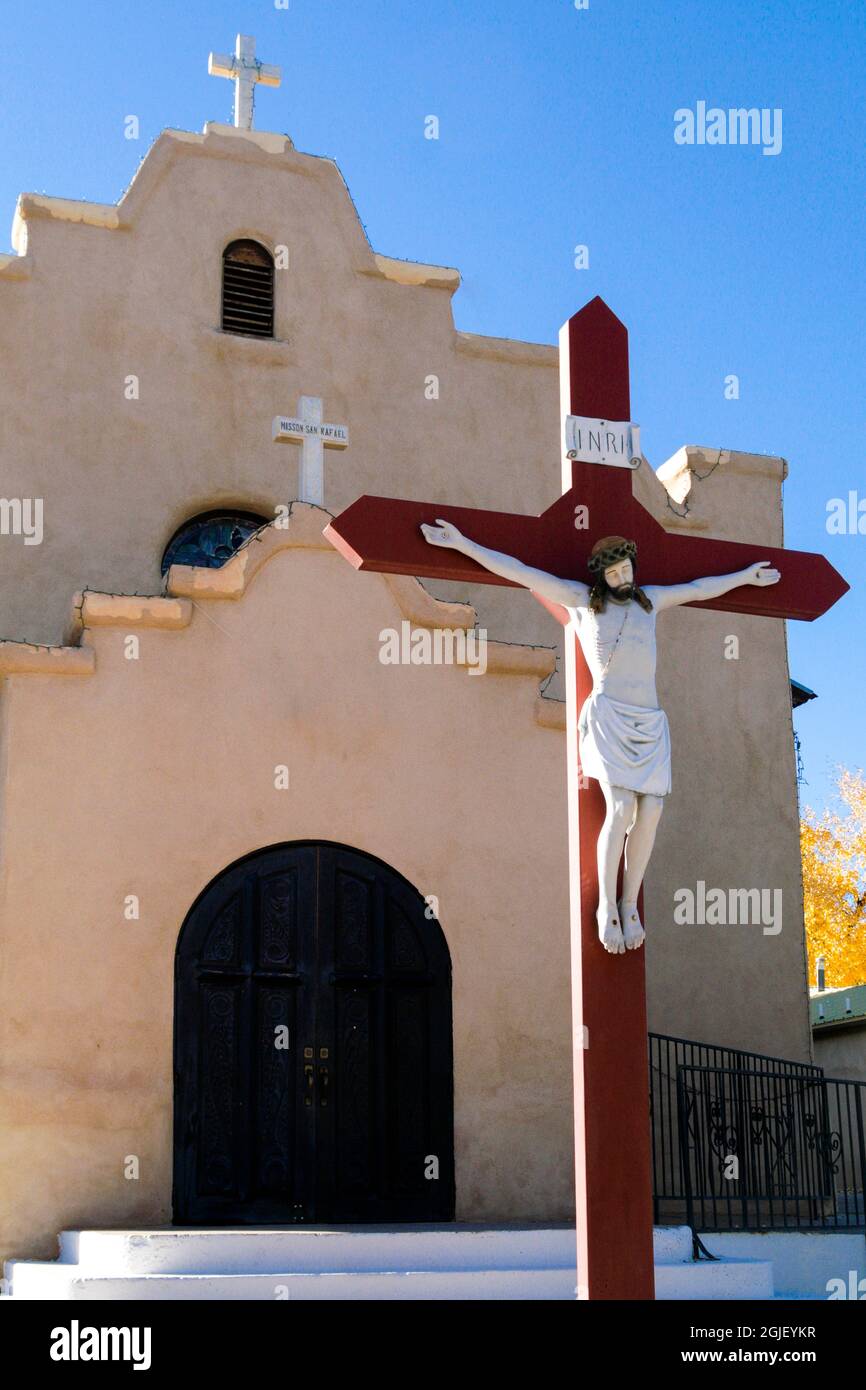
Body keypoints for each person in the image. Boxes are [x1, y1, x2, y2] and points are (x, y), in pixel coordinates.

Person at [421, 520, 780, 955]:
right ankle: (607, 906)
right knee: (623, 806)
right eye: (612, 575)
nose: (622, 579)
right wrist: (463, 543)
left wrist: (744, 577)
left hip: (649, 721)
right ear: (600, 578)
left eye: (626, 570)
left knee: (652, 810)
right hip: (611, 717)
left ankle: (631, 904)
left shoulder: (652, 603)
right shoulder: (580, 602)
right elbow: (517, 570)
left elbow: (700, 587)